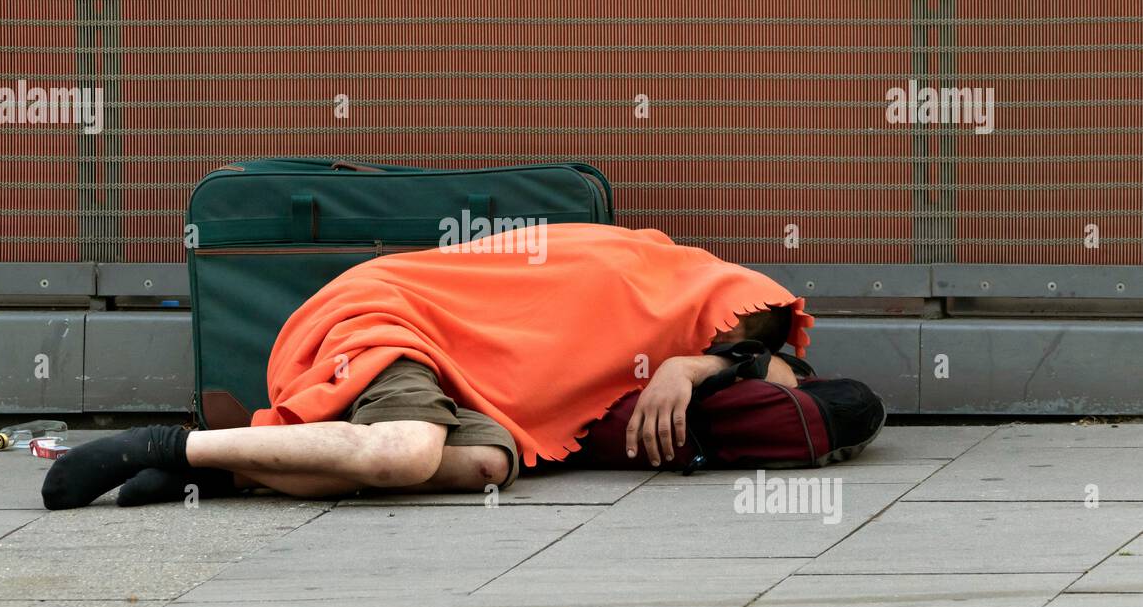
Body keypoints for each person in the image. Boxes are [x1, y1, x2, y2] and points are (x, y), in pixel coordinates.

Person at [42, 224, 814, 510]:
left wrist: (692, 367)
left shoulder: (663, 309)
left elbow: (787, 382)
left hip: (451, 369)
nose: (740, 358)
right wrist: (692, 367)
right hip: (385, 318)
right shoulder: (663, 277)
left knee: (482, 462)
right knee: (408, 452)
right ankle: (161, 447)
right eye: (739, 343)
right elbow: (768, 356)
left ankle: (223, 473)